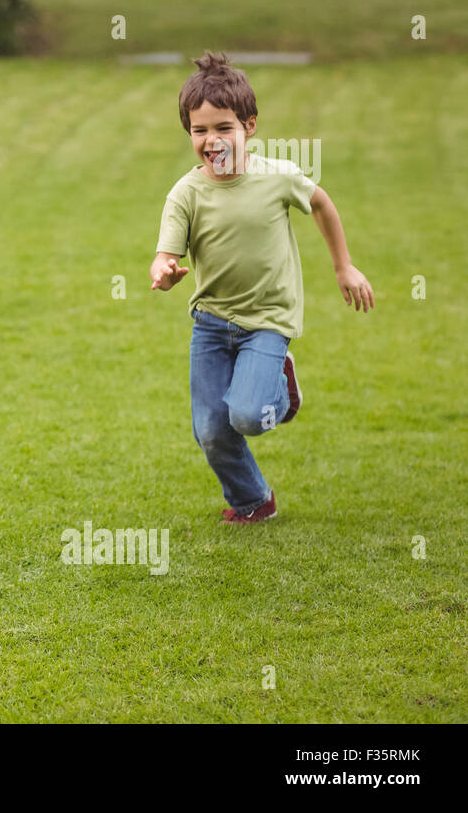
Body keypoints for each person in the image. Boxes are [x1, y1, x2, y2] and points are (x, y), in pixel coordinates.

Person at [151, 52, 374, 523]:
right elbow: (165, 256)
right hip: (210, 325)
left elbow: (321, 204)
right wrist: (166, 274)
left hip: (268, 321)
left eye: (223, 128)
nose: (212, 140)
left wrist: (344, 267)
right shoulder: (185, 194)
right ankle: (254, 500)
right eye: (199, 130)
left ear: (249, 127)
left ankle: (280, 387)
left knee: (249, 416)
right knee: (211, 429)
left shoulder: (276, 178)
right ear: (188, 133)